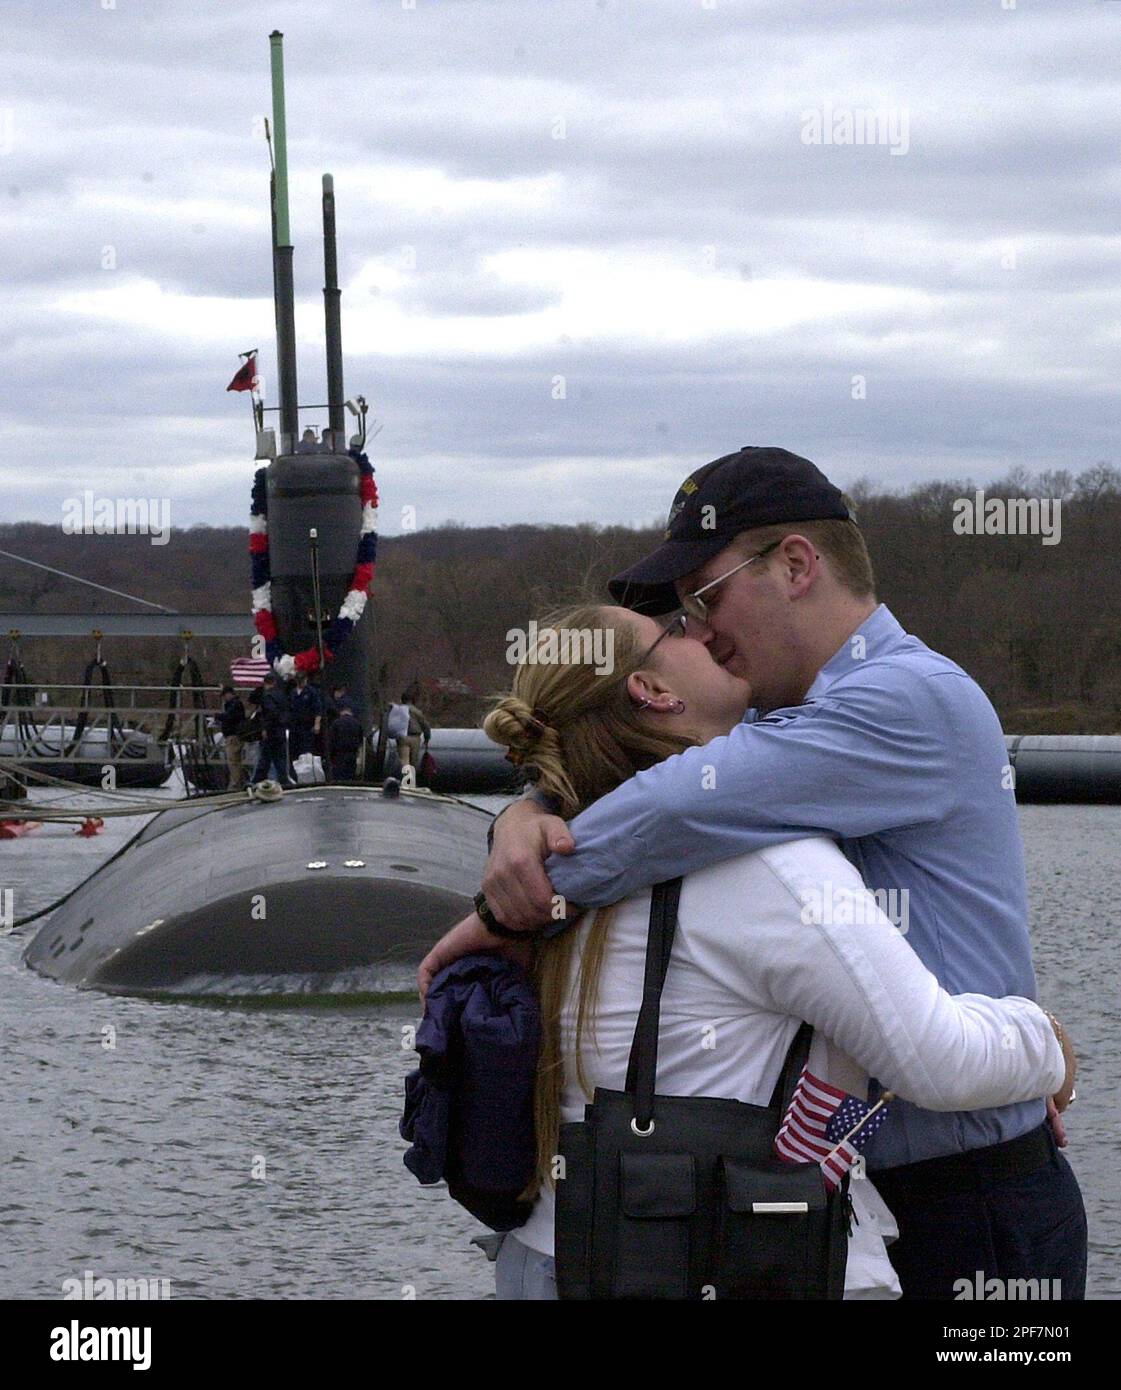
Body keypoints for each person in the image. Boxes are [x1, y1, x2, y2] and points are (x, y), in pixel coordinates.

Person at [420, 445, 1089, 1301]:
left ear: (796, 566)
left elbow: (677, 806)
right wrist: (528, 812)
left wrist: (514, 900)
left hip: (971, 1190)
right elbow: (631, 772)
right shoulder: (784, 723)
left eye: (705, 597)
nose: (699, 631)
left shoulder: (904, 699)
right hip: (858, 1182)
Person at [249, 671, 294, 787]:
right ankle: (285, 782)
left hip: (271, 731)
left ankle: (255, 783)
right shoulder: (282, 695)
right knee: (280, 760)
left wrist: (265, 728)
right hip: (281, 730)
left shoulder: (267, 696)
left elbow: (270, 713)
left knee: (264, 759)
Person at [388, 694, 431, 772]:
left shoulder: (398, 710)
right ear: (412, 700)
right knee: (413, 762)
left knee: (404, 761)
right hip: (415, 738)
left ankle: (406, 780)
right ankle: (411, 781)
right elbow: (425, 725)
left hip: (402, 737)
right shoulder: (417, 711)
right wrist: (427, 738)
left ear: (402, 700)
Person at [217, 684, 248, 792]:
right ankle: (240, 783)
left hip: (233, 737)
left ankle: (235, 785)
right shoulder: (234, 704)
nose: (224, 698)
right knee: (236, 761)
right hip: (234, 736)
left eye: (224, 695)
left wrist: (218, 716)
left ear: (229, 694)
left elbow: (228, 717)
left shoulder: (234, 704)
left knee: (233, 762)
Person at [288, 669, 323, 762]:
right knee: (294, 752)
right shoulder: (293, 693)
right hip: (295, 726)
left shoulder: (311, 692)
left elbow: (318, 709)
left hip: (307, 726)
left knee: (306, 751)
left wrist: (317, 724)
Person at [327, 705, 363, 782]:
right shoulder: (357, 723)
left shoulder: (336, 723)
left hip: (338, 756)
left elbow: (331, 741)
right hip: (352, 755)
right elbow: (360, 741)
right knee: (350, 778)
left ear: (341, 712)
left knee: (339, 779)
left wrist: (330, 756)